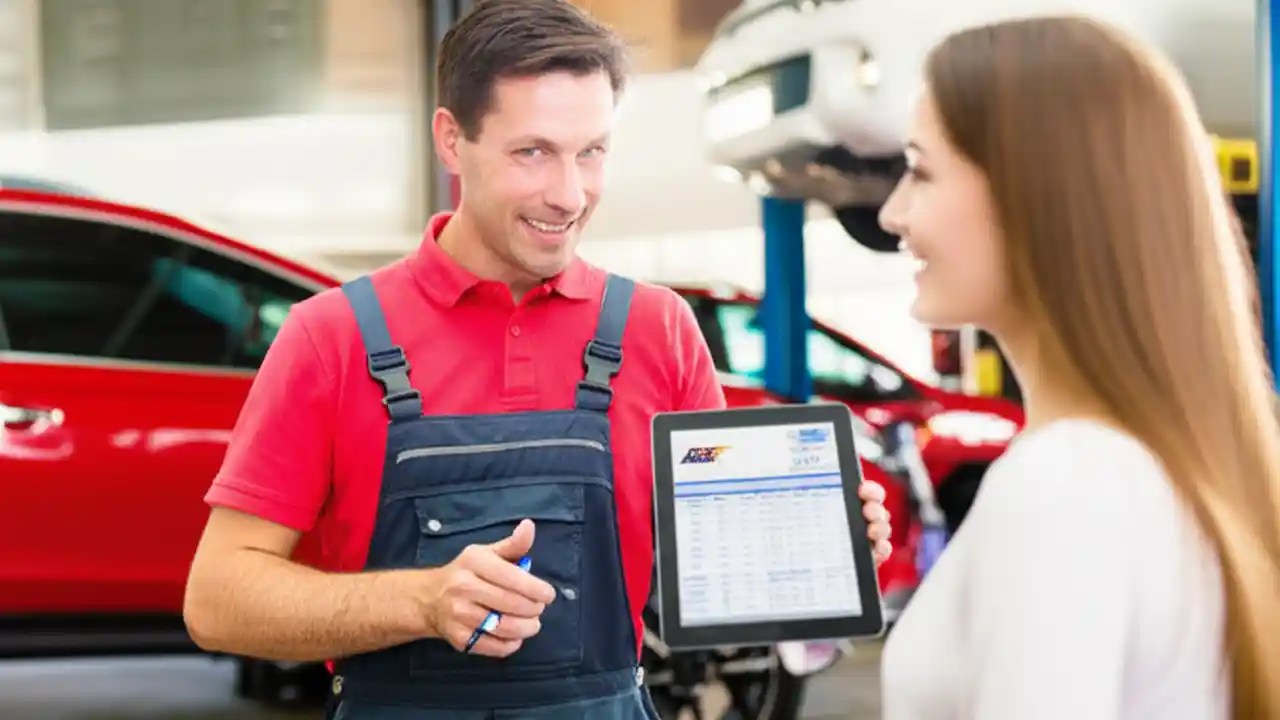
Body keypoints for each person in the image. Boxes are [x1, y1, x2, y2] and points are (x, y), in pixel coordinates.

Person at [181, 1, 894, 718]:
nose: (569, 193)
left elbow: (712, 588)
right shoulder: (331, 337)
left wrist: (817, 550)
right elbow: (218, 601)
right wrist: (421, 601)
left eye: (592, 151)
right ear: (451, 141)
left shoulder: (660, 330)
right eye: (534, 152)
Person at [875, 14, 1280, 720]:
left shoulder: (1065, 480)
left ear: (1035, 193)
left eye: (919, 169)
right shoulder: (1151, 466)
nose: (891, 213)